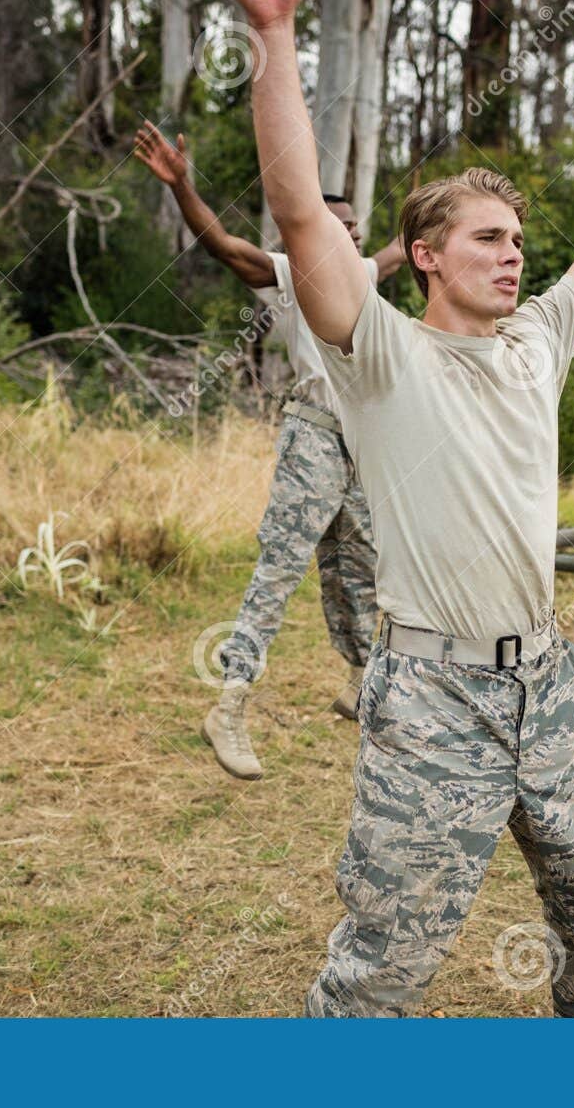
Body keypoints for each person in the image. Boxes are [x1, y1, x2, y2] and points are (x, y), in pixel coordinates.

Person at [217, 0, 574, 1015]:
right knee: (383, 966)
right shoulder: (380, 353)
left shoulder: (539, 337)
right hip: (433, 699)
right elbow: (300, 214)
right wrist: (272, 38)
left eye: (519, 241)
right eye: (488, 240)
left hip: (548, 684)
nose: (514, 257)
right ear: (425, 256)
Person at [133, 121, 404, 780]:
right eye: (335, 228)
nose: (350, 238)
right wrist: (182, 188)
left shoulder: (362, 274)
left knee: (360, 569)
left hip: (360, 445)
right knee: (280, 569)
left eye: (355, 231)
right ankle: (229, 704)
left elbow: (401, 250)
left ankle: (360, 680)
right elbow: (224, 246)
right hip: (312, 434)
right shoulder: (291, 274)